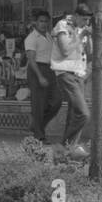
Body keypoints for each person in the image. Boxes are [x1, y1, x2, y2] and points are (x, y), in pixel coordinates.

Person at [50, 9, 91, 155]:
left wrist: (89, 37)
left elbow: (89, 54)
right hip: (65, 72)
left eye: (88, 20)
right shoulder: (62, 25)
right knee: (83, 114)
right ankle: (63, 147)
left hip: (79, 74)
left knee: (74, 114)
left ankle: (68, 151)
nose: (86, 23)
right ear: (77, 16)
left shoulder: (82, 29)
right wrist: (81, 36)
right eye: (84, 19)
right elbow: (65, 51)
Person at [24, 9, 61, 143]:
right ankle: (39, 136)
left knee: (56, 101)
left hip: (50, 69)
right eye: (41, 21)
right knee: (38, 104)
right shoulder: (31, 38)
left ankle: (36, 126)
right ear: (35, 23)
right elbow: (31, 60)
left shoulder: (49, 36)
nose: (43, 24)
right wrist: (40, 76)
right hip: (37, 69)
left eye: (46, 21)